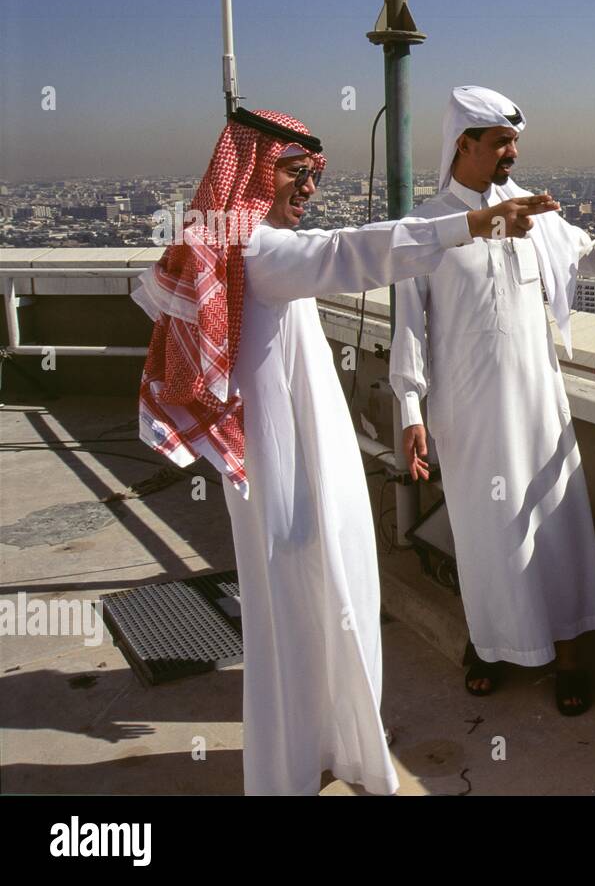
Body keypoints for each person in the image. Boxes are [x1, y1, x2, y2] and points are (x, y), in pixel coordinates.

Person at [132, 107, 556, 794]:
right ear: (254, 176)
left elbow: (344, 248)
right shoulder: (258, 251)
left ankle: (331, 747)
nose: (308, 188)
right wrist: (469, 224)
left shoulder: (255, 244)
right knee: (300, 612)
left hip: (304, 458)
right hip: (281, 468)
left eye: (314, 175)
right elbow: (353, 253)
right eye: (295, 174)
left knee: (330, 600)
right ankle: (295, 766)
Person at [390, 86, 595, 715]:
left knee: (554, 528)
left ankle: (566, 654)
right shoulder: (426, 229)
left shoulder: (532, 210)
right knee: (485, 538)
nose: (512, 152)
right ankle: (490, 643)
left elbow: (590, 260)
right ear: (464, 144)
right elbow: (408, 329)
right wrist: (410, 411)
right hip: (469, 416)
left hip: (537, 405)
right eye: (501, 142)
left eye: (515, 142)